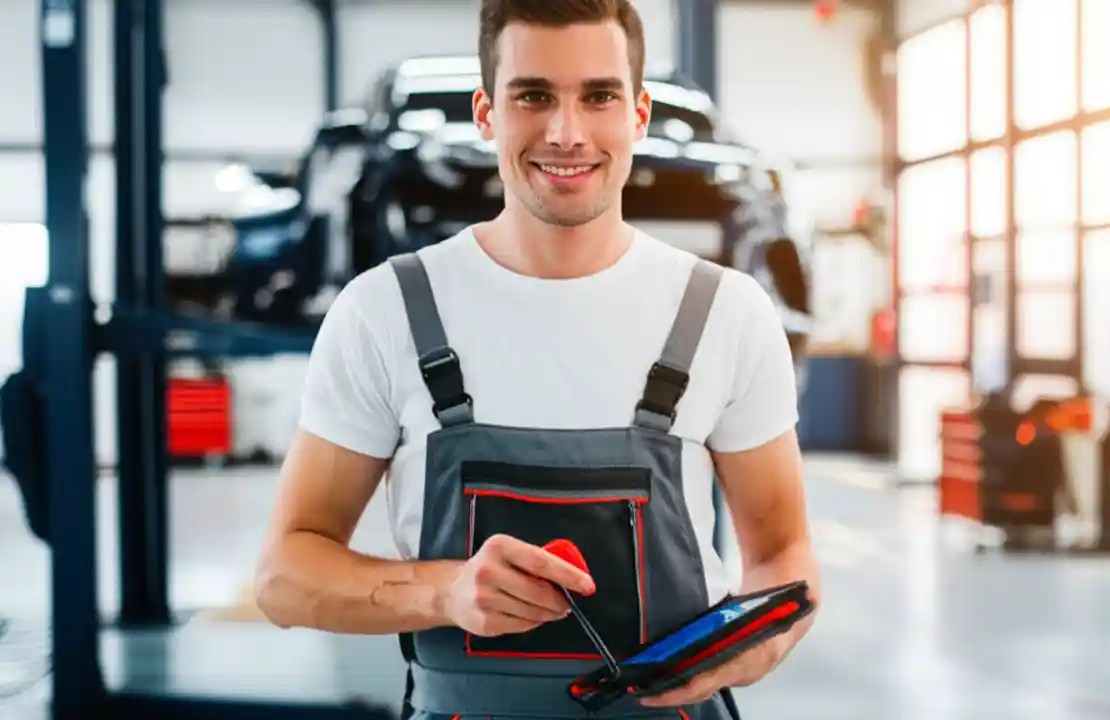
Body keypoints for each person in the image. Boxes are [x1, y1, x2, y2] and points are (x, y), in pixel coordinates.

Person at [254, 0, 820, 717]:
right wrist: (447, 591)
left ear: (638, 113)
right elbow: (283, 577)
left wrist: (756, 644)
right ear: (487, 113)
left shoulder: (726, 314)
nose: (566, 132)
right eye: (533, 95)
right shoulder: (385, 311)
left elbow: (784, 555)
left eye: (599, 96)